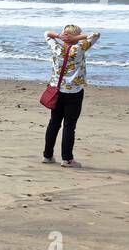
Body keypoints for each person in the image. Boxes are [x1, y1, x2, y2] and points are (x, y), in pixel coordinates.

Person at [43, 24, 100, 167]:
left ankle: (47, 155)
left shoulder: (56, 48)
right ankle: (67, 159)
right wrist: (77, 38)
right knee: (69, 125)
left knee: (54, 123)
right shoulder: (80, 48)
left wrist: (58, 36)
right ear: (76, 36)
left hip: (57, 90)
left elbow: (46, 33)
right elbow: (95, 34)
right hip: (74, 92)